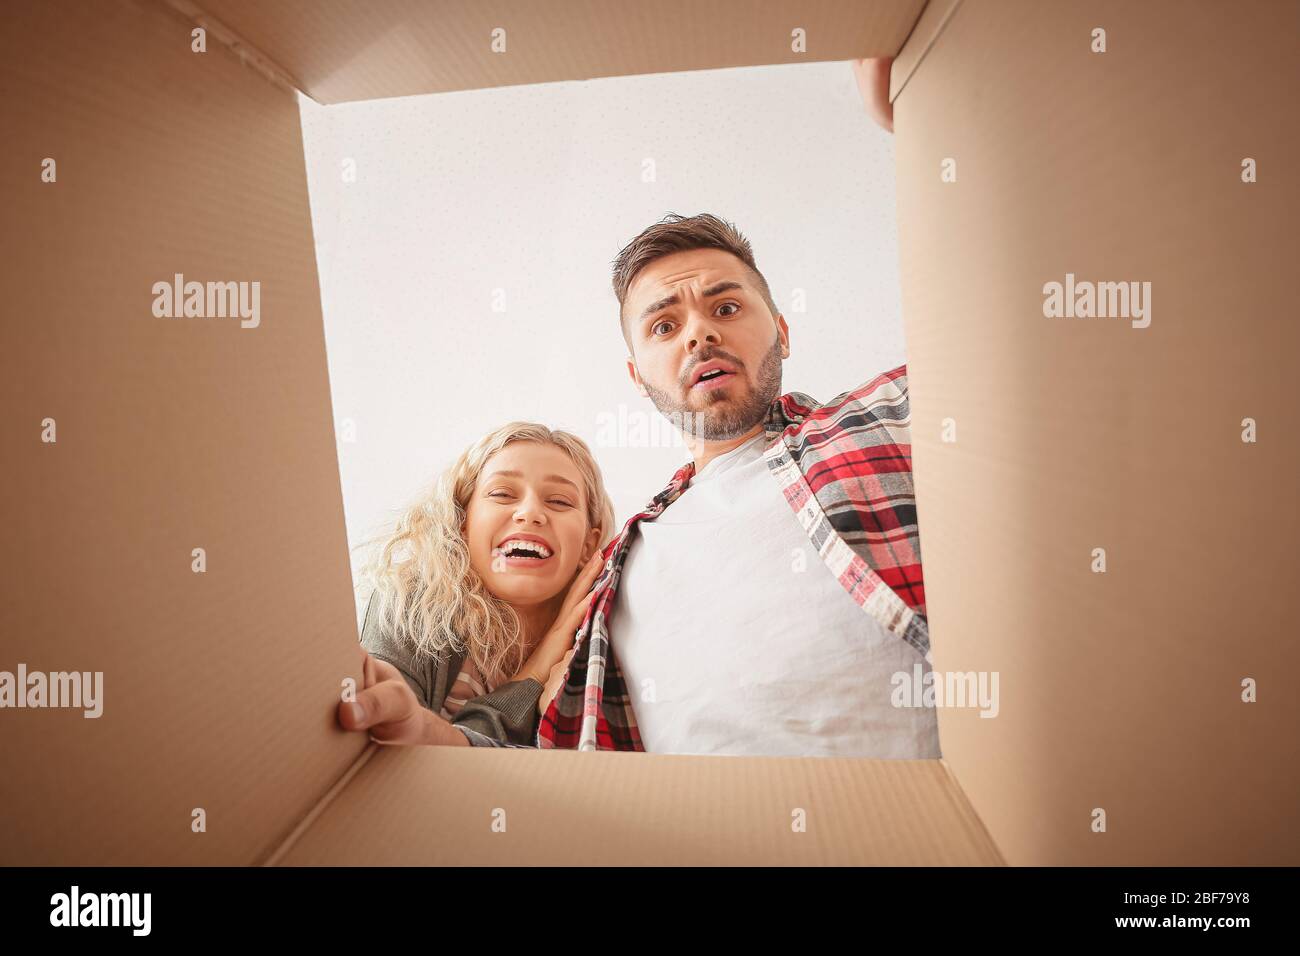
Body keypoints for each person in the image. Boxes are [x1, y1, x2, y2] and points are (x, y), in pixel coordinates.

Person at [533, 211, 941, 757]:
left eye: (726, 308)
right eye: (664, 326)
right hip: (694, 839)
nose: (700, 333)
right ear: (638, 376)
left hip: (925, 824)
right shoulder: (610, 573)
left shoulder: (890, 420)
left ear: (783, 332)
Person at [337, 422, 614, 747]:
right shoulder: (407, 606)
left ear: (587, 545)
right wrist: (535, 674)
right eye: (501, 494)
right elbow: (396, 752)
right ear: (463, 523)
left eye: (559, 501)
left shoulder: (605, 643)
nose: (530, 513)